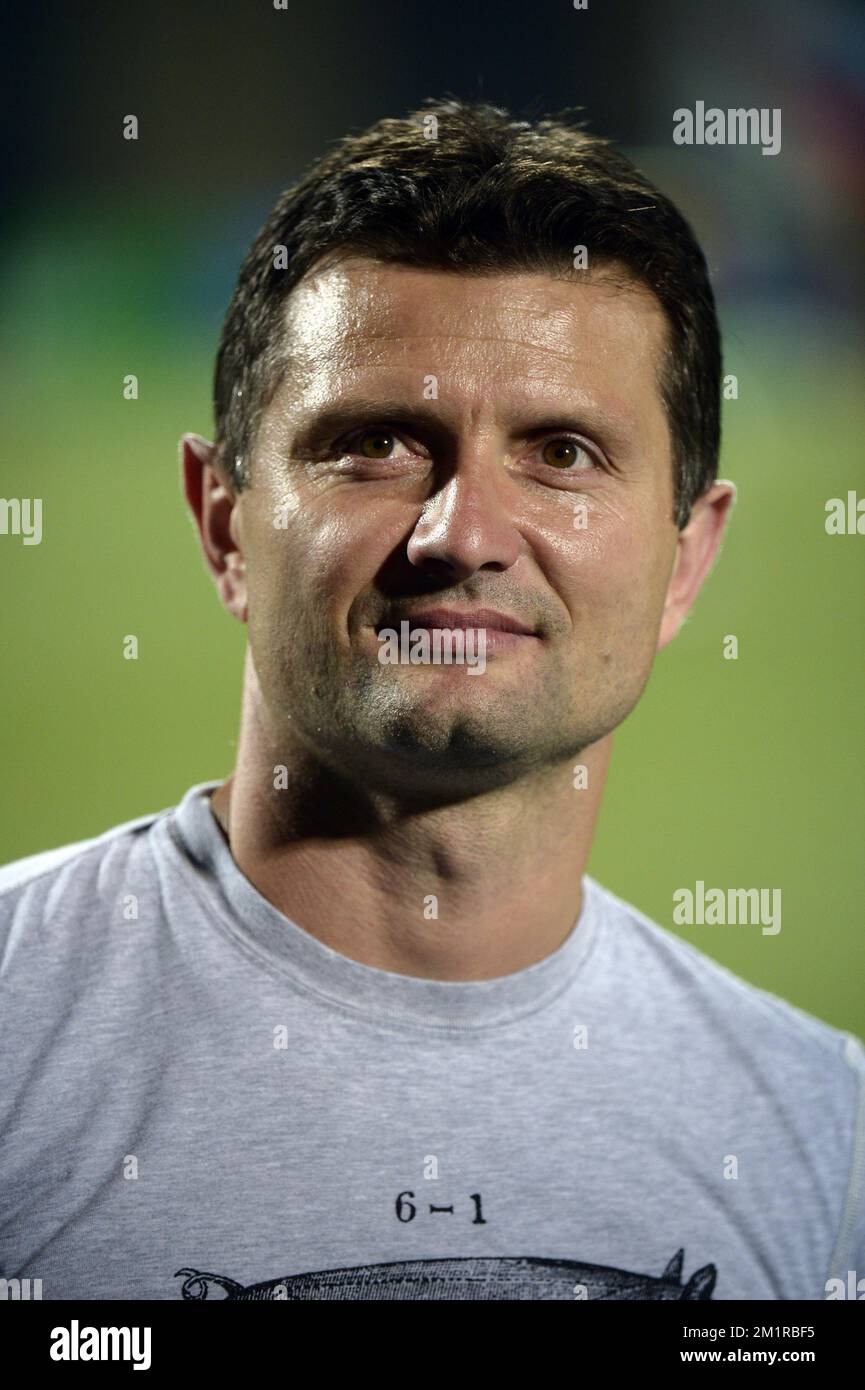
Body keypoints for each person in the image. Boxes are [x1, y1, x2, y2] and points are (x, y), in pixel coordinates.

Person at [1, 98, 862, 1303]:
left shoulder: (825, 1136)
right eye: (377, 443)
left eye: (562, 452)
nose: (462, 534)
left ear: (688, 558)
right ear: (225, 524)